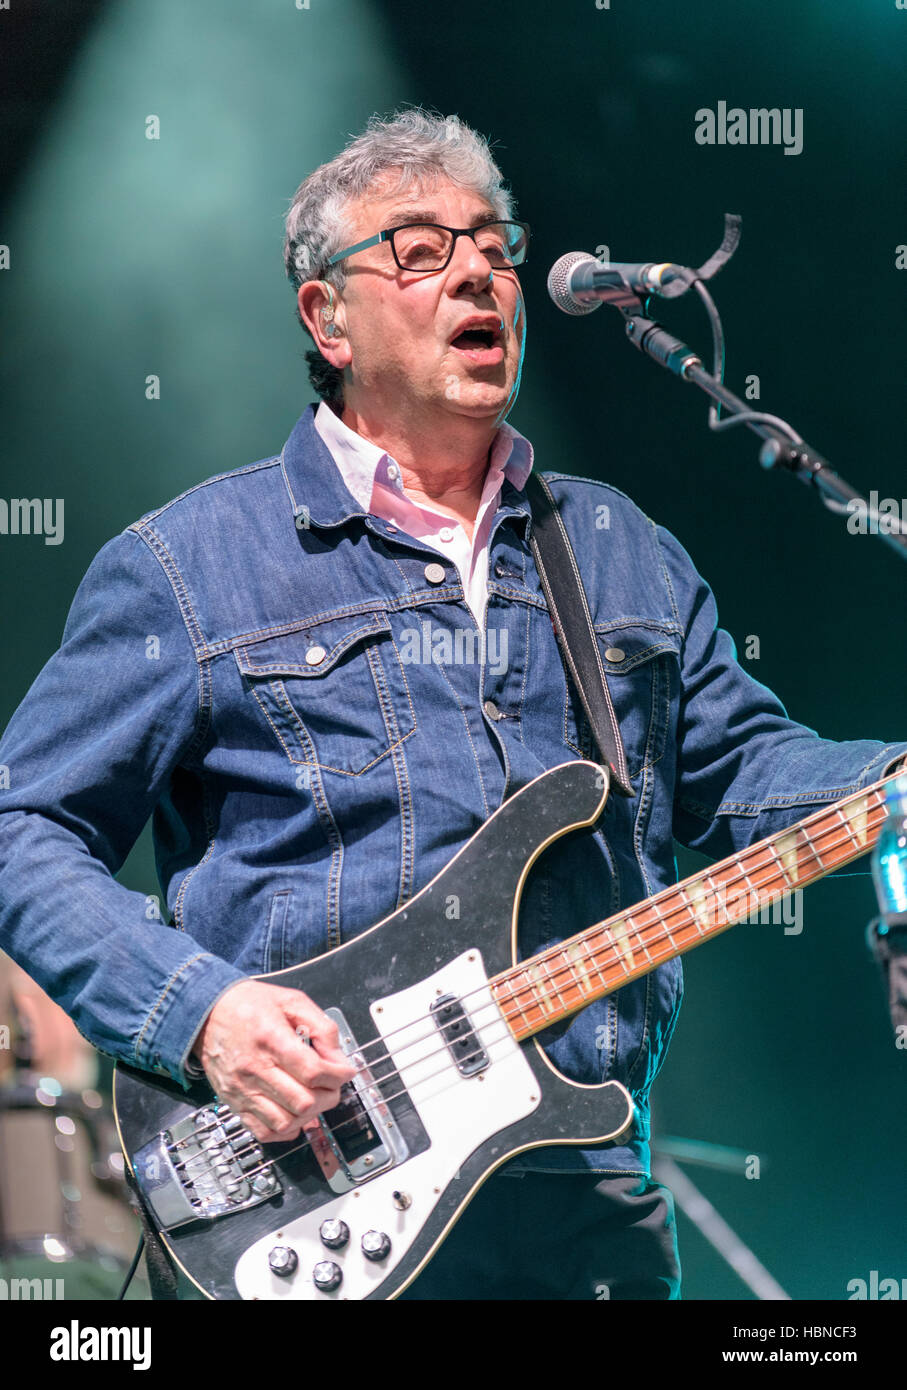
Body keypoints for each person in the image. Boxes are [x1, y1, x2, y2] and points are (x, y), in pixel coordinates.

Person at [0, 105, 903, 1301]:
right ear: (326, 316)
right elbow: (22, 826)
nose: (478, 269)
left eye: (493, 243)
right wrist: (200, 1014)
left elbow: (744, 777)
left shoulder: (614, 549)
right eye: (420, 250)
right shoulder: (191, 566)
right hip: (311, 1186)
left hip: (582, 1189)